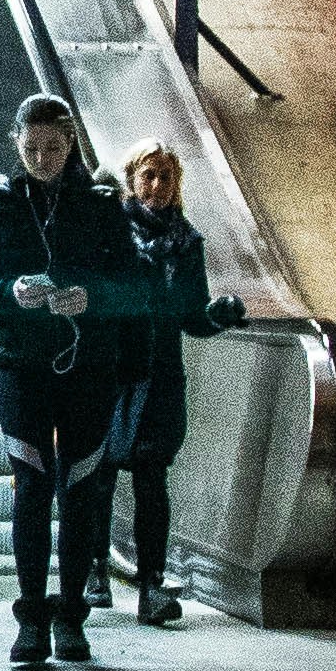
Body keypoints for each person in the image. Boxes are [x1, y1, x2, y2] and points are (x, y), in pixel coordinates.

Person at [0, 92, 206, 671]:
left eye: (53, 147)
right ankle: (30, 621)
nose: (42, 159)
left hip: (87, 369)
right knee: (31, 488)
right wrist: (9, 294)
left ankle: (70, 614)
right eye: (31, 148)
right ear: (16, 142)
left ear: (71, 143)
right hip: (22, 366)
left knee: (80, 487)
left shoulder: (102, 206)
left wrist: (91, 297)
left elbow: (136, 290)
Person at [74, 138, 245, 626]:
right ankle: (94, 568)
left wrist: (218, 316)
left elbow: (192, 317)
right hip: (111, 371)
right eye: (148, 176)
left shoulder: (187, 244)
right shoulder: (109, 233)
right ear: (131, 180)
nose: (156, 187)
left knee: (152, 479)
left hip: (161, 375)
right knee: (100, 473)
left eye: (165, 177)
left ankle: (150, 583)